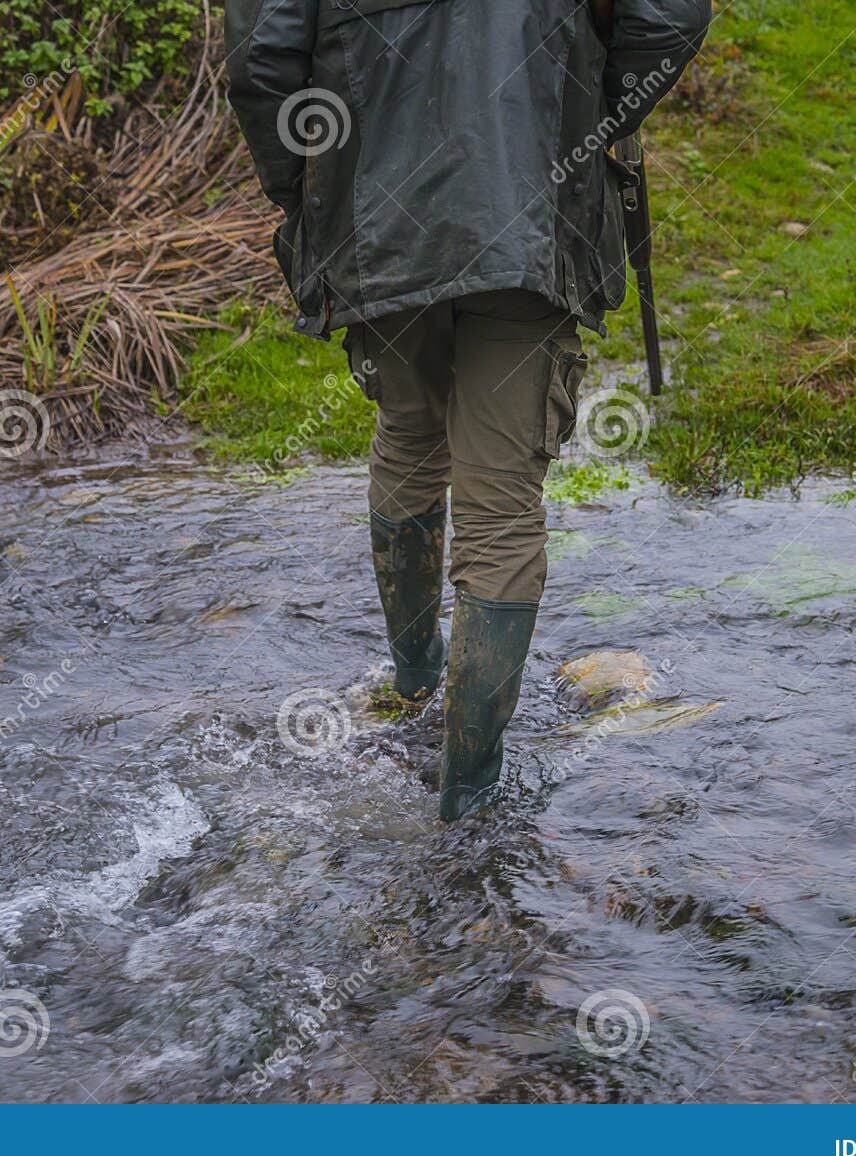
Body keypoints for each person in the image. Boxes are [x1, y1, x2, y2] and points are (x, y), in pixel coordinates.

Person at [225, 0, 710, 820]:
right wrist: (577, 118)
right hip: (532, 207)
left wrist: (308, 185)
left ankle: (415, 682)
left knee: (409, 437)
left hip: (372, 208)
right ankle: (471, 796)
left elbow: (261, 61)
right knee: (503, 507)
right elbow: (669, 18)